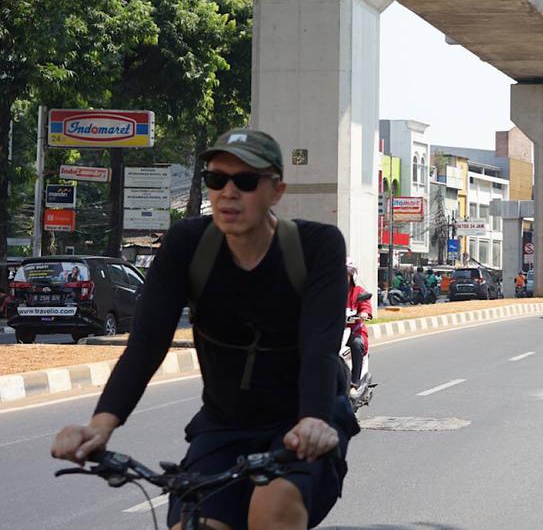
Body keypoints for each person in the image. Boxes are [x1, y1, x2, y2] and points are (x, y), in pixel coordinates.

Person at [51, 128, 357, 530]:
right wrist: (100, 426)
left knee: (273, 506)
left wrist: (314, 418)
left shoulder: (317, 246)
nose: (228, 192)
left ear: (276, 191)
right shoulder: (187, 244)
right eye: (216, 179)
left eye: (245, 181)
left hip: (300, 423)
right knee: (192, 523)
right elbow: (146, 344)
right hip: (224, 423)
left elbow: (319, 343)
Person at [345, 259, 373, 388]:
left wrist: (364, 313)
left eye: (346, 275)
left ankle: (355, 381)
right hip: (334, 331)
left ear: (352, 276)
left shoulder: (358, 291)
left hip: (354, 330)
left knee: (356, 344)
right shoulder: (331, 292)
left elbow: (365, 306)